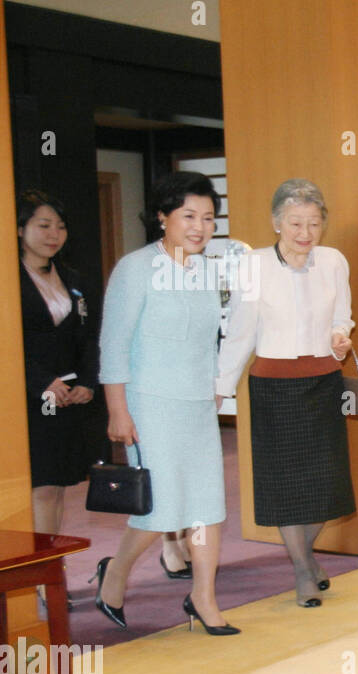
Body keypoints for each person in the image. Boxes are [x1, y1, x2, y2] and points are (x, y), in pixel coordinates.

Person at [93, 171, 238, 636]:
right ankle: (115, 572)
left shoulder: (207, 270)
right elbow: (113, 345)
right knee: (161, 507)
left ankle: (203, 598)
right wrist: (118, 410)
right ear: (163, 217)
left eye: (209, 218)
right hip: (147, 402)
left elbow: (210, 338)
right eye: (188, 215)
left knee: (207, 502)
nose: (199, 227)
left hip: (196, 403)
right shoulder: (135, 268)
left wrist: (217, 384)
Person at [216, 179, 356, 608]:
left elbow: (343, 314)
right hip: (274, 387)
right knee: (287, 486)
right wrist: (221, 386)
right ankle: (302, 570)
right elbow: (239, 332)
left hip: (322, 382)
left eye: (314, 223)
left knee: (327, 486)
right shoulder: (253, 266)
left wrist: (338, 335)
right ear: (277, 222)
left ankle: (306, 555)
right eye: (296, 222)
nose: (305, 232)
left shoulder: (332, 261)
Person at [18, 190, 101, 535]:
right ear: (20, 229)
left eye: (61, 227)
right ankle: (37, 576)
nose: (54, 235)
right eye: (44, 225)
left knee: (57, 487)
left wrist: (87, 381)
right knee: (39, 486)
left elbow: (88, 337)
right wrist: (41, 382)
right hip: (28, 397)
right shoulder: (9, 280)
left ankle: (50, 571)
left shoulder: (74, 279)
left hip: (66, 398)